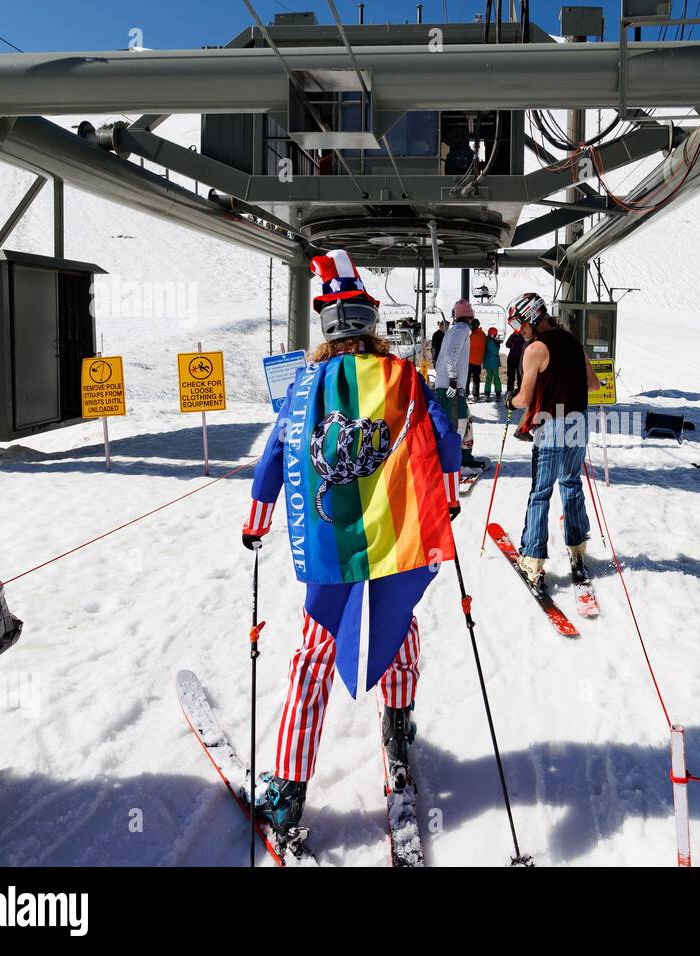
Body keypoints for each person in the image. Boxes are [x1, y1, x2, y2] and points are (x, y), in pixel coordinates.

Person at [241, 250, 462, 833]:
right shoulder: (405, 377)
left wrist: (257, 518)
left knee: (315, 652)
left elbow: (275, 456)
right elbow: (445, 443)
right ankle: (396, 726)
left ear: (326, 327)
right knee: (400, 626)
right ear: (371, 324)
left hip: (332, 543)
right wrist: (449, 495)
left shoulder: (304, 384)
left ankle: (288, 788)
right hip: (398, 539)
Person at [504, 293, 600, 595]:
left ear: (531, 316)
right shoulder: (572, 341)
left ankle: (532, 559)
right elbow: (593, 383)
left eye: (519, 323)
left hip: (552, 424)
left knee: (541, 492)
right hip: (578, 421)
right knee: (571, 483)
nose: (519, 330)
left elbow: (524, 398)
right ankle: (577, 550)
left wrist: (509, 400)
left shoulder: (535, 348)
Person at [433, 301, 485, 471]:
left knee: (465, 419)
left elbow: (444, 355)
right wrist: (453, 380)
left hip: (448, 385)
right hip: (451, 387)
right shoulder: (462, 329)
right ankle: (453, 461)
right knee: (458, 423)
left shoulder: (454, 330)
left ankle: (464, 456)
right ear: (470, 316)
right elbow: (450, 354)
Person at [467, 317, 486, 402]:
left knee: (467, 378)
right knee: (476, 379)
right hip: (478, 362)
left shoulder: (472, 335)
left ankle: (466, 393)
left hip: (469, 361)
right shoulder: (483, 334)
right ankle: (476, 395)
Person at [505, 325, 525, 398]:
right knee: (520, 375)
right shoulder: (525, 337)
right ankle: (520, 390)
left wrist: (512, 345)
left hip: (512, 357)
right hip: (521, 358)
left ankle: (510, 390)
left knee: (511, 375)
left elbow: (507, 345)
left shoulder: (513, 336)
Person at [482, 326, 502, 400]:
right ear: (493, 334)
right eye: (495, 335)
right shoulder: (491, 341)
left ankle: (487, 393)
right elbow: (495, 351)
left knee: (488, 377)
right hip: (493, 362)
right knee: (496, 377)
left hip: (487, 362)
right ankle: (498, 393)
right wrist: (497, 345)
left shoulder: (486, 340)